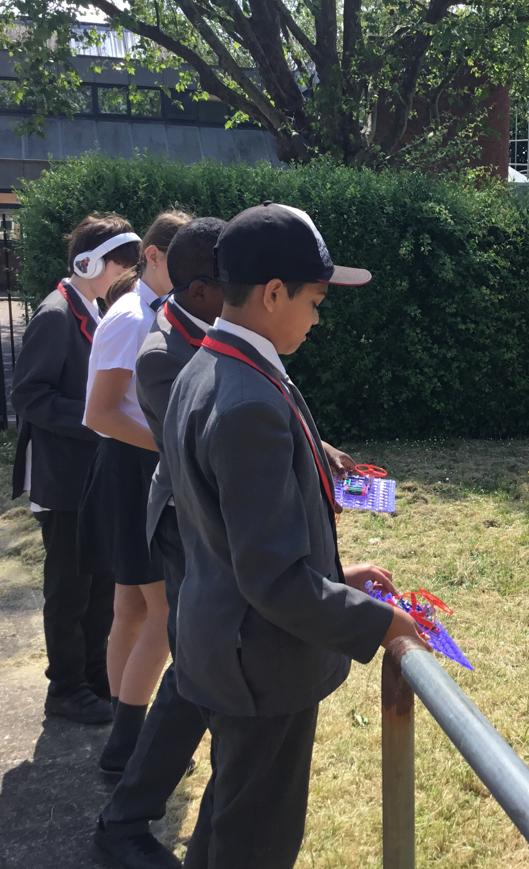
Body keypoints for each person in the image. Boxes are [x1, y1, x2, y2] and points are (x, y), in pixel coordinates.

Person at [160, 202, 424, 869]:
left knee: (229, 819)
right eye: (313, 298)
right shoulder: (246, 398)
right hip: (260, 661)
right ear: (273, 293)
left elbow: (241, 530)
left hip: (226, 643)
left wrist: (336, 574)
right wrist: (382, 623)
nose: (317, 313)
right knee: (257, 843)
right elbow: (272, 577)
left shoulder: (213, 363)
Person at [10, 213, 140, 724]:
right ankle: (65, 686)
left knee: (100, 582)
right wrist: (96, 419)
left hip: (89, 477)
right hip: (63, 479)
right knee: (69, 588)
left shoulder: (87, 308)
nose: (125, 275)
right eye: (119, 264)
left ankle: (94, 677)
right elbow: (29, 394)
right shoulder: (56, 314)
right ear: (88, 262)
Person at [79, 210, 190, 775]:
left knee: (130, 609)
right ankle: (131, 744)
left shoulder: (156, 309)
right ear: (151, 255)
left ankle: (123, 740)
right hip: (131, 471)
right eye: (182, 260)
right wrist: (175, 445)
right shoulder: (130, 317)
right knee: (161, 613)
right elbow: (100, 414)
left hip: (138, 468)